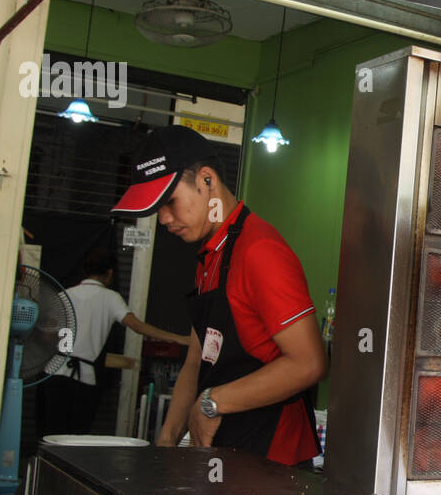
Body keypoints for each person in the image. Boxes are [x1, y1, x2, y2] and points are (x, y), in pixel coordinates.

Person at [111, 125, 327, 465]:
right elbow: (196, 360)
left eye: (170, 202)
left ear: (207, 180)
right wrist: (165, 444)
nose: (164, 219)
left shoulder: (260, 251)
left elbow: (309, 363)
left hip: (272, 464)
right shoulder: (210, 257)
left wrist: (213, 402)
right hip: (224, 454)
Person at [39, 247, 190, 438]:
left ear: (85, 271)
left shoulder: (65, 295)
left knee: (51, 433)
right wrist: (179, 339)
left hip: (54, 372)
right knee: (76, 437)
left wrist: (69, 341)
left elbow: (46, 336)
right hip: (83, 377)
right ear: (110, 273)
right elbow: (137, 326)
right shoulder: (111, 298)